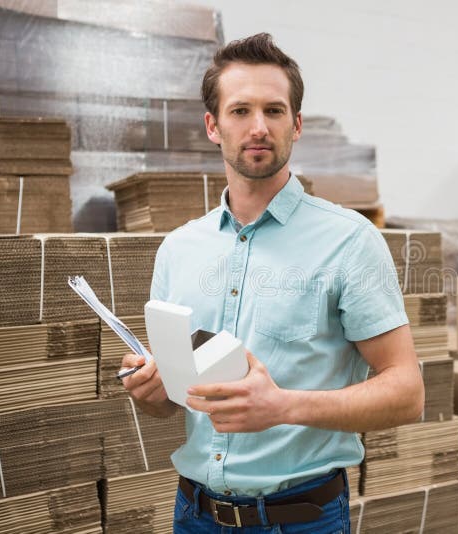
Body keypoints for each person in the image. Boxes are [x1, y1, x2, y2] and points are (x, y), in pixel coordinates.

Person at [120, 33, 424, 533]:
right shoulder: (178, 250)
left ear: (296, 125)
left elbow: (407, 392)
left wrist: (282, 406)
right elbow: (172, 404)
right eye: (240, 111)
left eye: (274, 111)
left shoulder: (350, 242)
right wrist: (152, 391)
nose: (258, 127)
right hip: (195, 515)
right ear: (213, 126)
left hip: (300, 519)